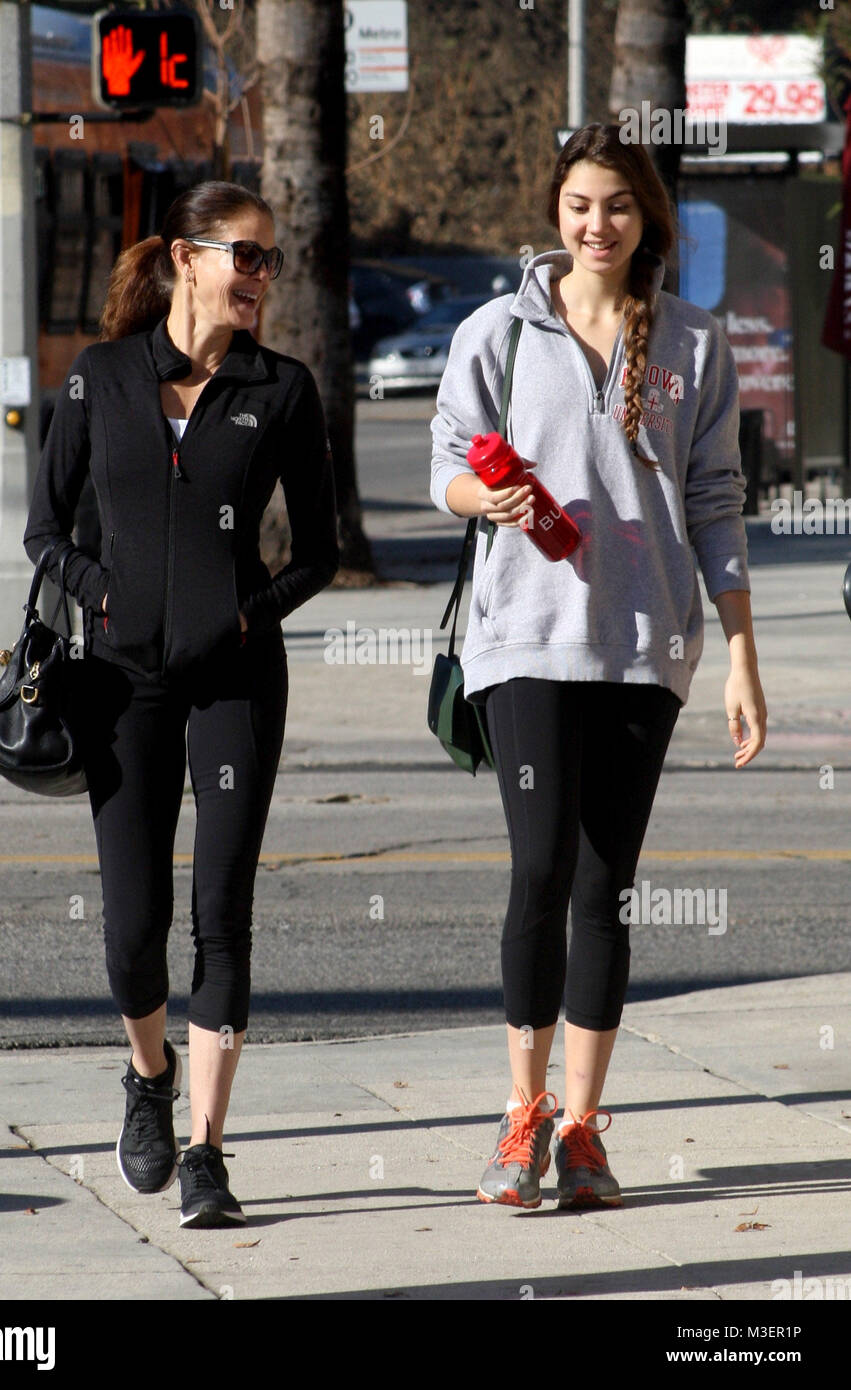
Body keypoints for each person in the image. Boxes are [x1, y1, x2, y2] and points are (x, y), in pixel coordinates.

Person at [429, 124, 766, 1211]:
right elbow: (446, 461)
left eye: (616, 205)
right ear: (554, 211)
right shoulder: (497, 332)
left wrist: (740, 656)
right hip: (523, 636)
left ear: (644, 216)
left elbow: (714, 503)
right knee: (538, 869)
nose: (595, 223)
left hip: (642, 646)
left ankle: (580, 1129)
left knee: (601, 885)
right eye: (578, 202)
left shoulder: (693, 345)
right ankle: (518, 1115)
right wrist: (484, 496)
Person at [24, 182, 339, 1228]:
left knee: (221, 915)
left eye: (269, 261)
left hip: (236, 680)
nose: (259, 277)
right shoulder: (99, 380)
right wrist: (103, 593)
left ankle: (206, 1147)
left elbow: (322, 552)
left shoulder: (280, 389)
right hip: (122, 684)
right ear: (184, 258)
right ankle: (147, 1076)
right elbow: (44, 533)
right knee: (130, 932)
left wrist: (247, 617)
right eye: (243, 257)